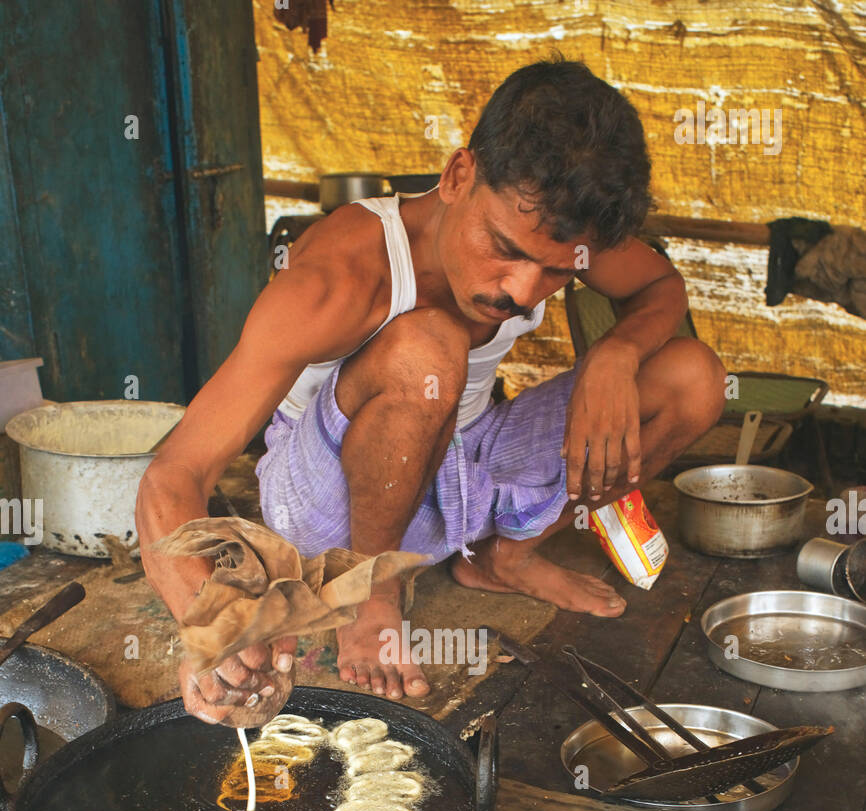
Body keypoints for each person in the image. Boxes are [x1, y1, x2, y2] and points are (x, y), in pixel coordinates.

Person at [137, 57, 726, 721]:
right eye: (504, 247)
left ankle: (501, 555)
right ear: (457, 177)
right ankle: (369, 592)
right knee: (431, 347)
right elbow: (172, 475)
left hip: (460, 456)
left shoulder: (558, 228)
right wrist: (208, 625)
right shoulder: (339, 277)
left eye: (557, 272)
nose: (522, 291)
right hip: (328, 500)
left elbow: (659, 286)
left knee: (694, 379)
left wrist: (616, 354)